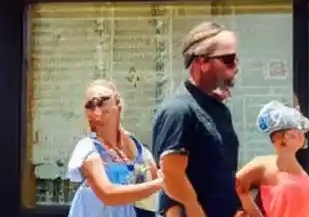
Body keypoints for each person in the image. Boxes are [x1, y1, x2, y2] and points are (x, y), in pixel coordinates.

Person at [153, 21, 242, 217]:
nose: (235, 67)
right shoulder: (179, 110)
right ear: (202, 62)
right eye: (228, 60)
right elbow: (171, 175)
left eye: (236, 60)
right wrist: (194, 207)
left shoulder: (219, 111)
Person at [64, 79, 165, 217]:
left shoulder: (138, 148)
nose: (96, 108)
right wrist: (160, 183)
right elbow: (108, 194)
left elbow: (153, 195)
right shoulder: (87, 148)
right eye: (90, 105)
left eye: (102, 100)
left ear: (117, 102)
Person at [235, 101, 309, 217]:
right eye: (297, 132)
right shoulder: (264, 165)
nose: (302, 135)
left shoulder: (298, 169)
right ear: (287, 137)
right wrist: (253, 212)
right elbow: (236, 185)